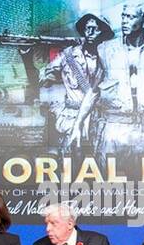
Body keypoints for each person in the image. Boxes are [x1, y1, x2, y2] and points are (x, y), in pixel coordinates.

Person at [95, 2, 144, 155]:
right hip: (115, 129)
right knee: (110, 169)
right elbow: (93, 92)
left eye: (131, 17)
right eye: (123, 16)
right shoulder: (105, 50)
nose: (124, 21)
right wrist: (78, 125)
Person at [41, 13, 112, 155]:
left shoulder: (110, 57)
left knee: (100, 161)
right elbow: (44, 78)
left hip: (99, 120)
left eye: (95, 29)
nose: (90, 32)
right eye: (87, 28)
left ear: (103, 33)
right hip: (71, 118)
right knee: (70, 159)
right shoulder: (68, 55)